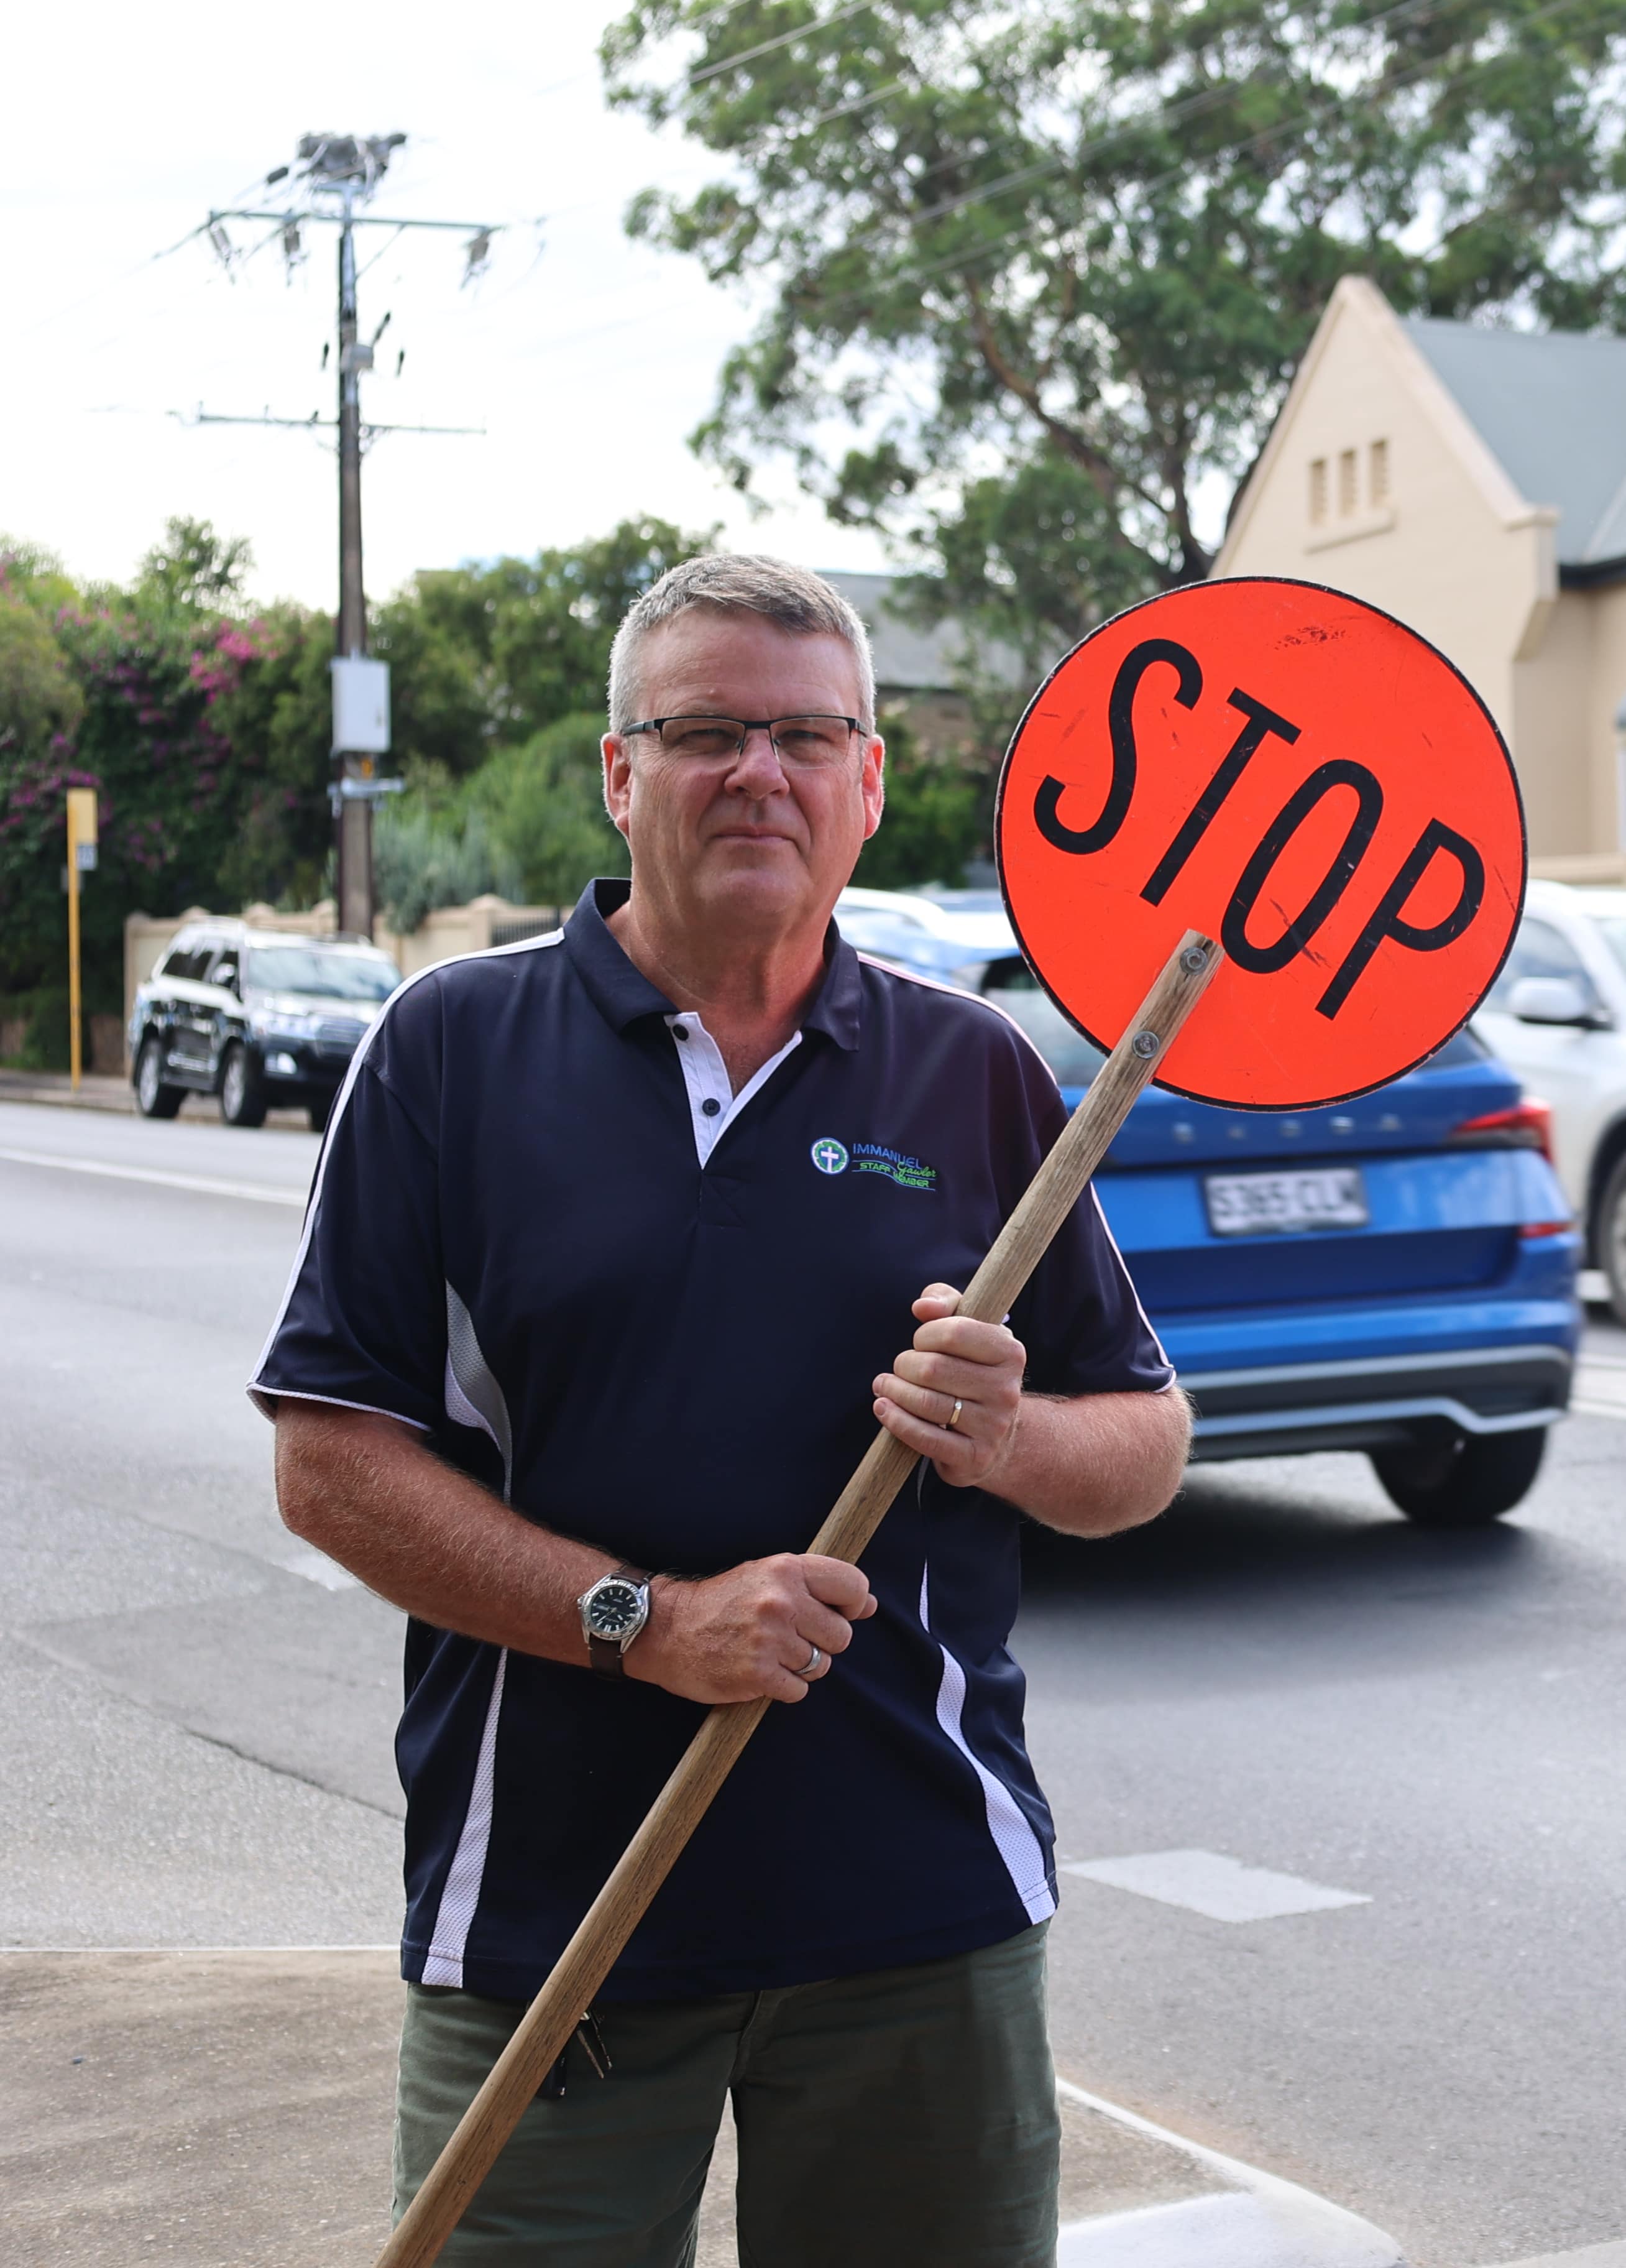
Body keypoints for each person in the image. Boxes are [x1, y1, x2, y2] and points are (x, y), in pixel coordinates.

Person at [259, 553, 1193, 2266]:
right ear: (623, 774)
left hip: (920, 1918)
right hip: (552, 1918)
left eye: (806, 736)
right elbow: (331, 1466)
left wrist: (1010, 1440)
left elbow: (1141, 1448)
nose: (759, 774)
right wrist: (647, 1622)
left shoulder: (973, 1070)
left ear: (868, 784)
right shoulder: (450, 1052)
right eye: (705, 734)